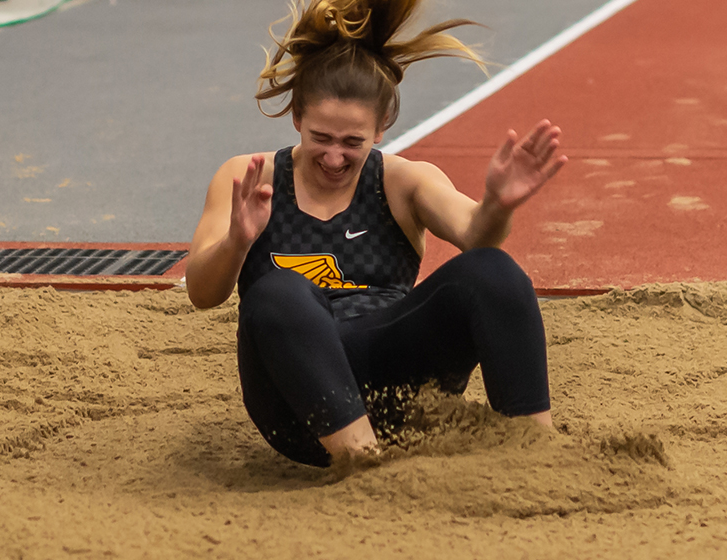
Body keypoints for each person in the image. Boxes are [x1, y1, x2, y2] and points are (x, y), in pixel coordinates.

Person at [185, 0, 567, 468]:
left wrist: (497, 205)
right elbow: (202, 293)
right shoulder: (248, 177)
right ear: (297, 117)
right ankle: (364, 464)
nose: (334, 158)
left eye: (352, 142)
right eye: (321, 138)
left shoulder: (404, 181)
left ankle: (536, 453)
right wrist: (237, 241)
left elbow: (475, 237)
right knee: (278, 290)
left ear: (381, 128)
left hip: (397, 391)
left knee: (494, 271)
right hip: (297, 404)